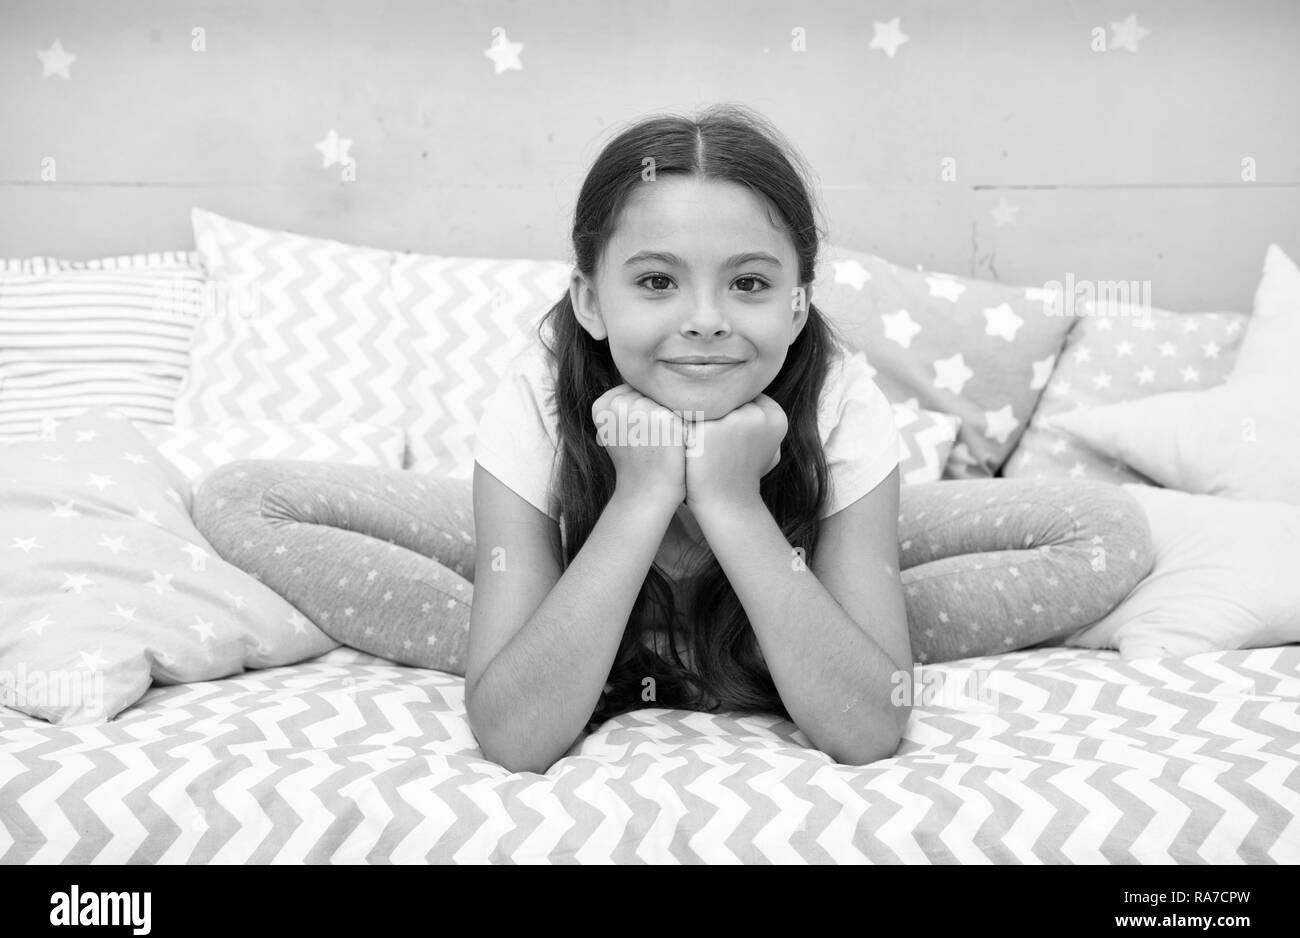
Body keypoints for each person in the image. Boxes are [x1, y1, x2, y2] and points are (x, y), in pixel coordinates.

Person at [192, 104, 1155, 775]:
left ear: (800, 300)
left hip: (790, 567)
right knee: (244, 498)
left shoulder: (840, 400)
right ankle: (550, 626)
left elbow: (867, 731)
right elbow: (515, 739)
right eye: (656, 281)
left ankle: (760, 630)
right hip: (580, 555)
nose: (705, 320)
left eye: (747, 283)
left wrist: (733, 502)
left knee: (1104, 529)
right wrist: (644, 492)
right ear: (590, 300)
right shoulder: (536, 396)